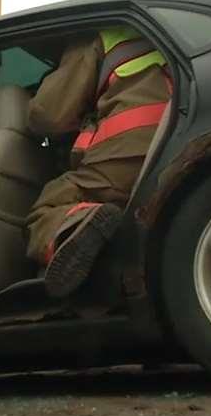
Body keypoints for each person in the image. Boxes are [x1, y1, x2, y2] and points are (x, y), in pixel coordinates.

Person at [24, 26, 172, 297]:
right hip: (182, 146)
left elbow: (49, 116)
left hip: (130, 150)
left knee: (51, 203)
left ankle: (78, 224)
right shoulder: (178, 32)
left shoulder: (99, 35)